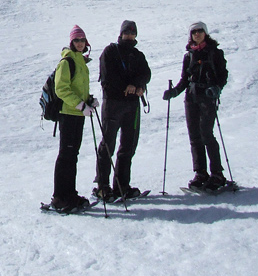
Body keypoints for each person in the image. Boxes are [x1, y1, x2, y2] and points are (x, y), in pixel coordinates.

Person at [162, 21, 229, 191]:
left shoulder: (215, 53)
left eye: (200, 31)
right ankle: (201, 173)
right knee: (195, 136)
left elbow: (223, 75)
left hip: (207, 97)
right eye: (194, 32)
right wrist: (174, 92)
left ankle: (217, 174)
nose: (197, 34)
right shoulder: (189, 56)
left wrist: (217, 88)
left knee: (206, 133)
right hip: (191, 98)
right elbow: (185, 80)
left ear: (205, 33)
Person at [95, 20, 151, 201]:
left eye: (132, 32)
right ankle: (103, 187)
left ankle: (121, 185)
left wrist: (138, 85)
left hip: (132, 106)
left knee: (128, 146)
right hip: (113, 104)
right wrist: (126, 87)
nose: (129, 35)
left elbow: (146, 73)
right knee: (108, 145)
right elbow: (107, 77)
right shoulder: (110, 51)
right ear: (121, 33)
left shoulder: (137, 54)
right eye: (126, 32)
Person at [51, 26, 97, 213]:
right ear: (72, 42)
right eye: (77, 40)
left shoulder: (81, 62)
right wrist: (80, 105)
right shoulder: (67, 62)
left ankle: (70, 194)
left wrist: (89, 100)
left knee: (72, 156)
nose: (80, 43)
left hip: (78, 114)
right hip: (69, 114)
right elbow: (61, 89)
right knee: (66, 156)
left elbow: (77, 88)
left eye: (82, 40)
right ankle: (60, 197)